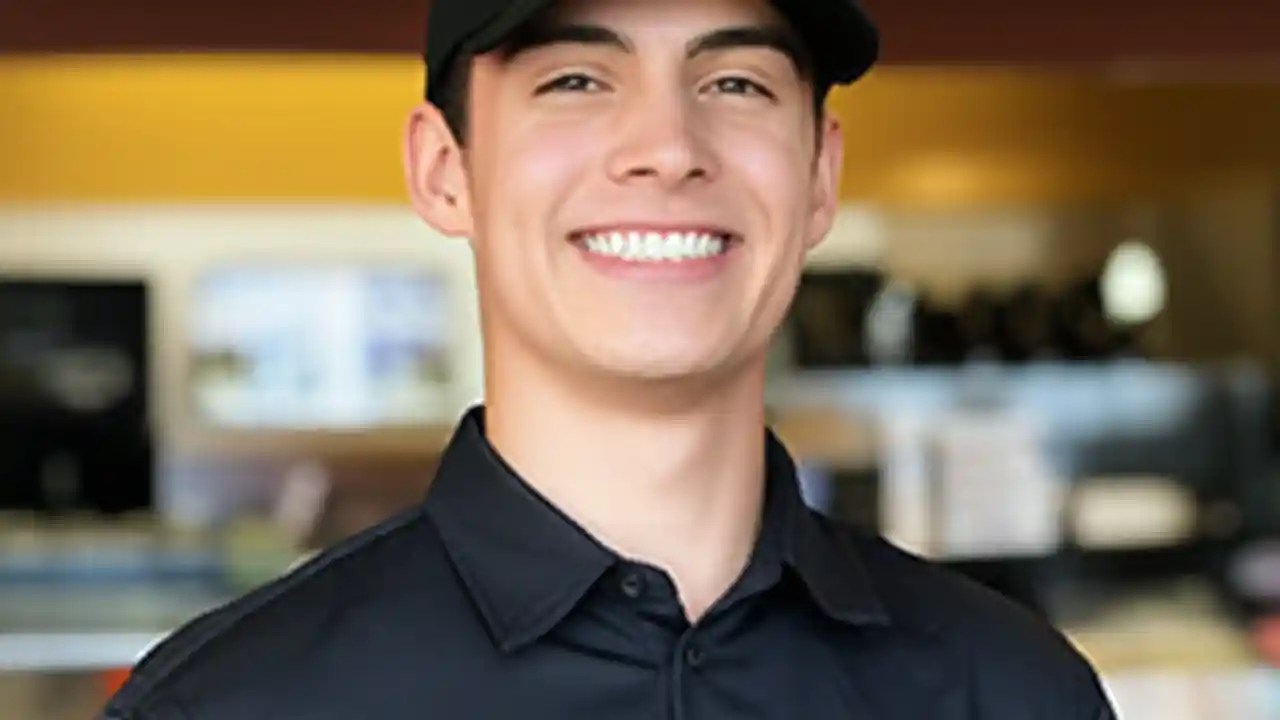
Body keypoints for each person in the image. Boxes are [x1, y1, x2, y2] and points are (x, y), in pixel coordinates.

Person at [100, 0, 1118, 717]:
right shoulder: (229, 706)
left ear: (819, 175)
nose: (667, 147)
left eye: (734, 81)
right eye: (576, 79)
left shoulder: (1013, 694)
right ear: (444, 170)